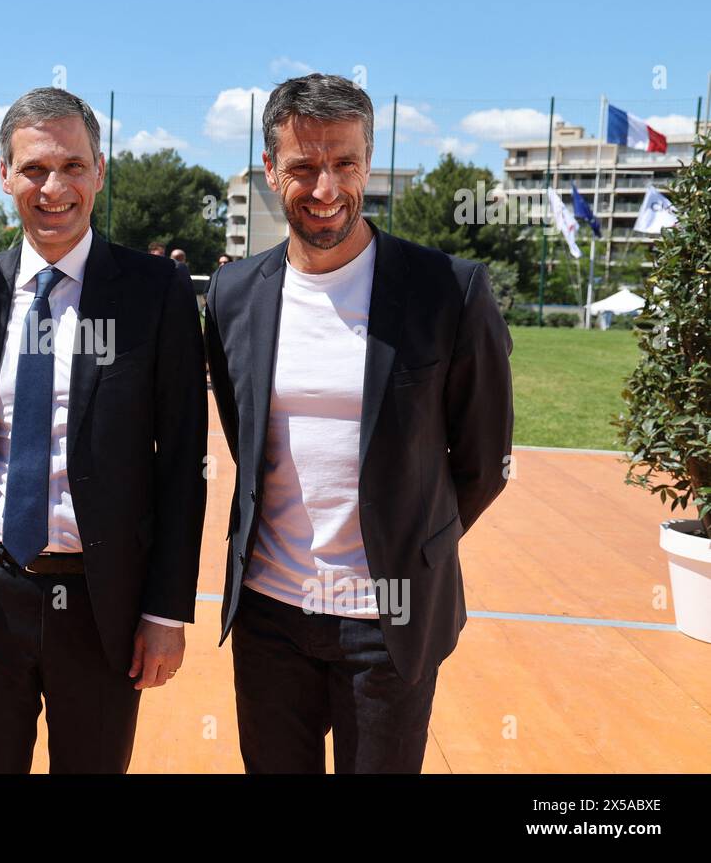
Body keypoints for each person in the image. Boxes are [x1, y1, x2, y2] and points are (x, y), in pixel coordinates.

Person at [204, 73, 513, 773]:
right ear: (269, 169)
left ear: (368, 161)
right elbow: (243, 430)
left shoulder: (449, 289)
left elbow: (484, 460)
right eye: (304, 167)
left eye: (344, 163)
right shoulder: (231, 296)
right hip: (268, 616)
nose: (325, 189)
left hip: (390, 618)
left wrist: (414, 541)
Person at [0, 87, 208, 773]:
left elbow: (183, 462)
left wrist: (167, 613)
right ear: (4, 177)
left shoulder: (156, 293)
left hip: (103, 605)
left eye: (72, 166)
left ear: (100, 171)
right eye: (32, 169)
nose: (53, 187)